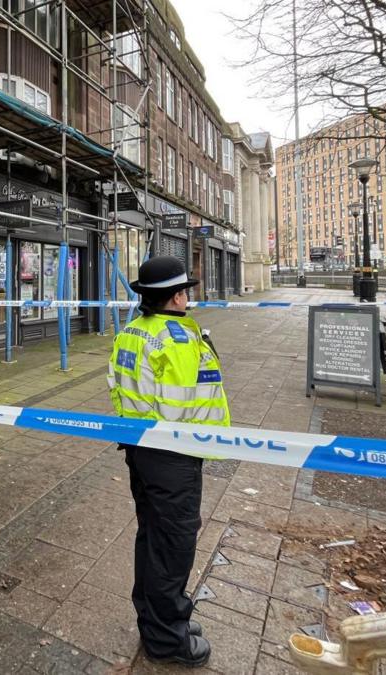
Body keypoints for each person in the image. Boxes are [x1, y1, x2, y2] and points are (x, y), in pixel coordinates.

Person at [107, 255, 230, 666]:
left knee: (152, 537)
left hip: (139, 448)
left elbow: (117, 388)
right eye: (185, 293)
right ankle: (166, 639)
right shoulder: (178, 340)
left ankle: (160, 618)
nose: (187, 299)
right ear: (176, 297)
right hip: (174, 453)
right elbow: (183, 405)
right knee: (173, 545)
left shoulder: (132, 331)